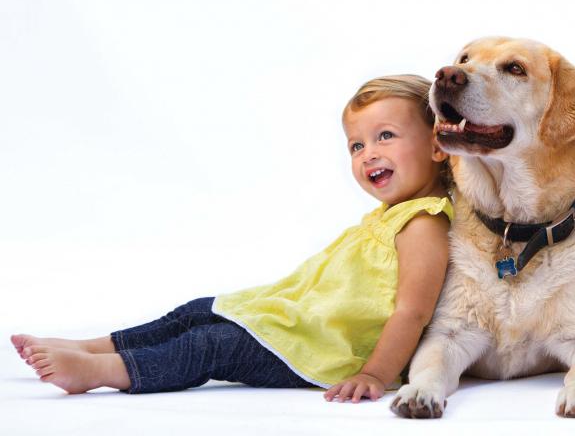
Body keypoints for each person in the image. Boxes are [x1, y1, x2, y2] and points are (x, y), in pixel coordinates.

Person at [11, 74, 454, 403]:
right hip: (301, 327)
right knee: (200, 311)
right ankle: (91, 344)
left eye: (385, 137)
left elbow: (411, 313)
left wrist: (375, 374)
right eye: (356, 146)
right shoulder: (389, 216)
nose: (368, 153)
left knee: (211, 347)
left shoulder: (424, 224)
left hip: (328, 354)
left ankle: (103, 370)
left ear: (438, 148)